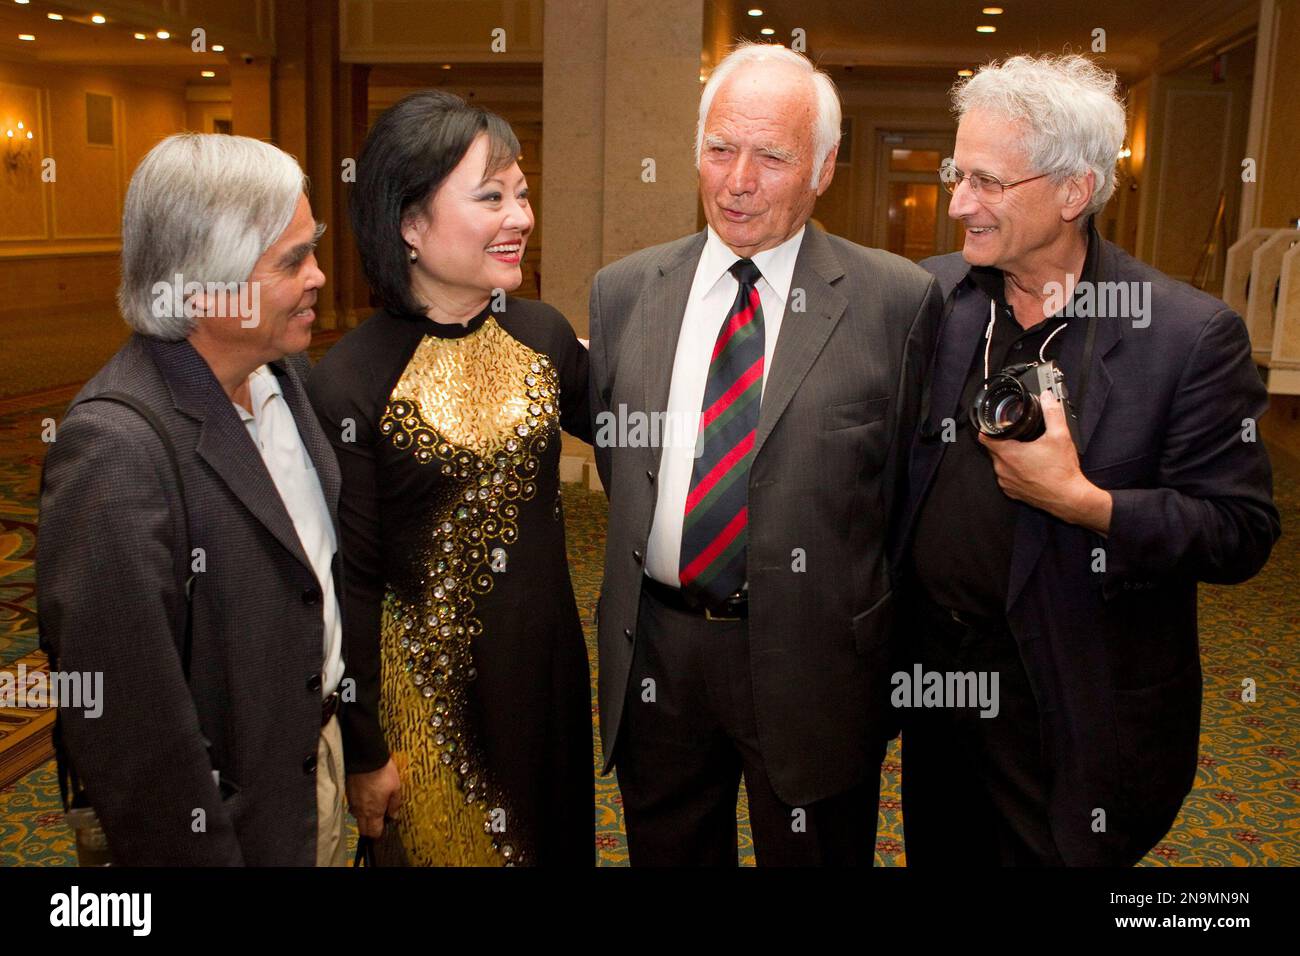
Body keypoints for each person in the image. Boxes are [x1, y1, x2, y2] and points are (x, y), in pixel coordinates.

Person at [897, 54, 1281, 866]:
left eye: (988, 182)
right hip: (940, 692)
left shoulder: (1186, 337)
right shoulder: (930, 299)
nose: (958, 203)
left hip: (1072, 707)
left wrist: (1086, 502)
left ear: (1074, 191)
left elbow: (1240, 531)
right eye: (956, 174)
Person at [587, 42, 943, 866]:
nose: (737, 179)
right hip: (660, 655)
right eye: (719, 148)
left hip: (816, 660)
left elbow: (902, 499)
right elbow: (625, 468)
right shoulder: (625, 290)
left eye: (772, 156)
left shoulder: (896, 301)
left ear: (823, 169)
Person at [37, 133, 346, 866]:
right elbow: (128, 729)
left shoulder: (282, 375)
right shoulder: (115, 450)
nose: (321, 277)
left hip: (310, 783)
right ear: (205, 286)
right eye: (292, 260)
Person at [308, 91, 594, 866]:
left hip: (547, 685)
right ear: (408, 223)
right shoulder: (352, 381)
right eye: (491, 196)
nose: (521, 217)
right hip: (427, 713)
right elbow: (351, 583)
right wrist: (366, 750)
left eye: (523, 193)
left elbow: (650, 441)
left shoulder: (541, 335)